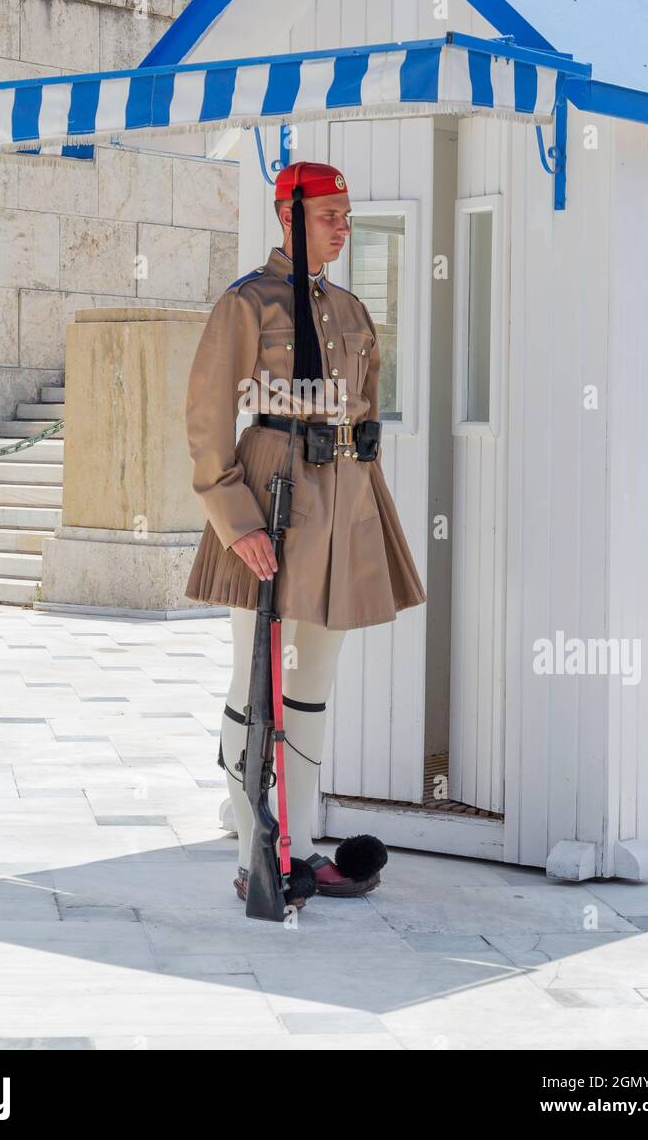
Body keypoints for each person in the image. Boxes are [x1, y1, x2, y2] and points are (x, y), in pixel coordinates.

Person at [184, 160, 427, 904]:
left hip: (344, 504)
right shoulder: (247, 303)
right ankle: (254, 836)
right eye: (330, 217)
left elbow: (363, 414)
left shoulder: (352, 310)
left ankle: (303, 838)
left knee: (313, 684)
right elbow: (205, 420)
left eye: (347, 218)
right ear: (289, 216)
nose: (343, 230)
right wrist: (236, 521)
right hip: (272, 501)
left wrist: (363, 508)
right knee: (255, 677)